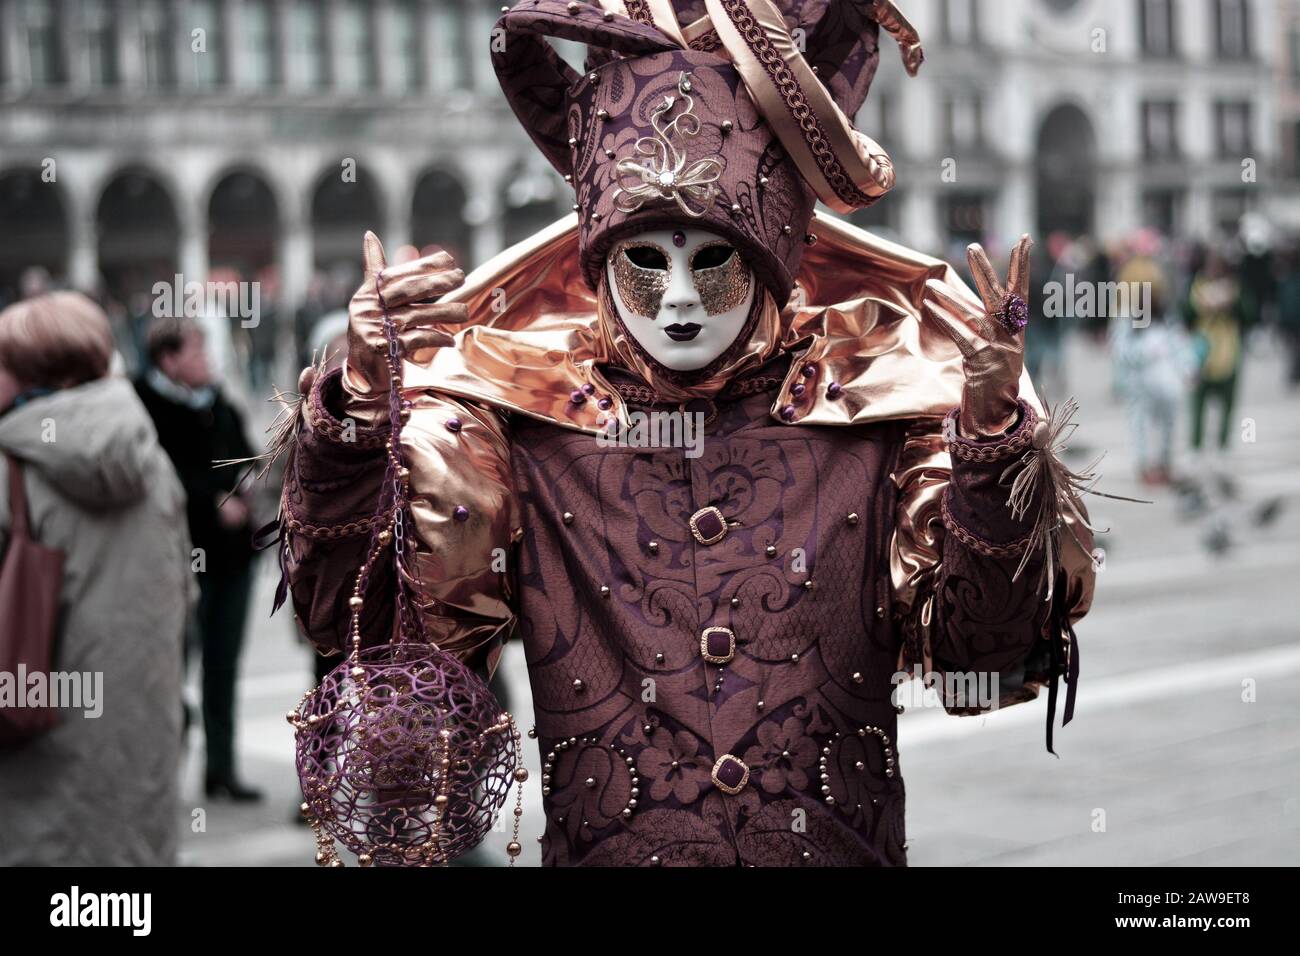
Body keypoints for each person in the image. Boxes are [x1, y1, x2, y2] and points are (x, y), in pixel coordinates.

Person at [276, 0, 1097, 866]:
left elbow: (986, 656)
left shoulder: (867, 424)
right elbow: (366, 631)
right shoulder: (527, 436)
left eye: (710, 261)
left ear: (768, 258)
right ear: (600, 265)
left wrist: (991, 443)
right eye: (643, 262)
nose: (674, 299)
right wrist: (359, 411)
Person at [0, 292, 191, 864]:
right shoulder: (153, 464)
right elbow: (185, 590)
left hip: (29, 746)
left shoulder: (11, 469)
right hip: (141, 746)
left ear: (31, 372)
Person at [134, 317, 264, 801]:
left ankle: (222, 768)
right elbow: (155, 475)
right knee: (170, 668)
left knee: (223, 664)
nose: (208, 361)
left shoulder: (218, 402)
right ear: (168, 359)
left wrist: (248, 486)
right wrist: (211, 501)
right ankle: (162, 775)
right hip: (178, 558)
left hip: (233, 559)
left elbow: (246, 457)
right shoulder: (142, 405)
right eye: (197, 352)